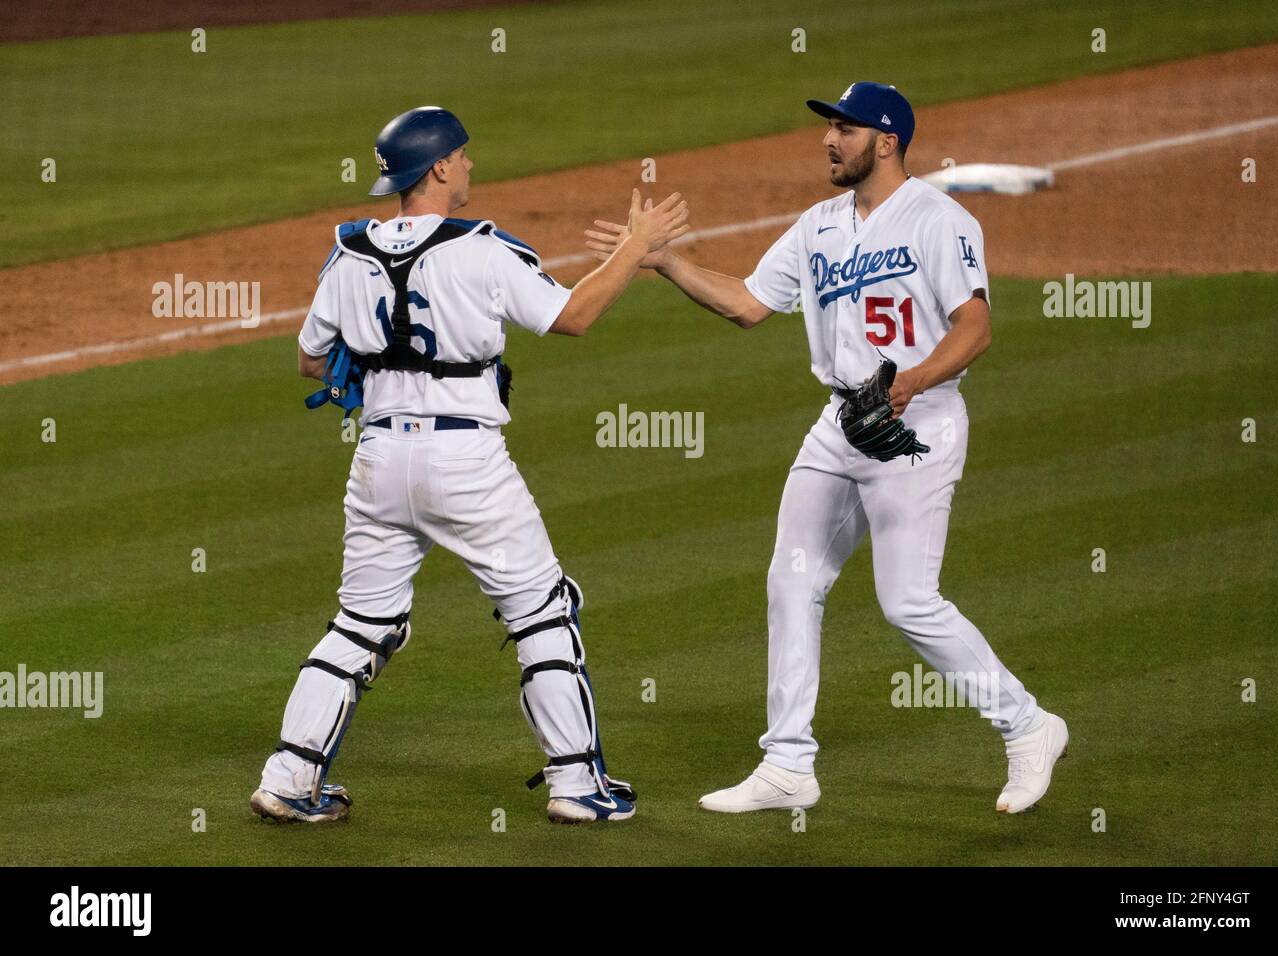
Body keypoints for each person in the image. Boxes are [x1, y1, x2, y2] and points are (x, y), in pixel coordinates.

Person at [585, 83, 1068, 815]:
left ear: (886, 141)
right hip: (840, 423)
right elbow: (748, 303)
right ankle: (787, 763)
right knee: (791, 579)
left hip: (917, 424)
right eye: (828, 128)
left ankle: (1029, 726)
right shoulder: (818, 226)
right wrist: (664, 262)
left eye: (844, 128)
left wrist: (913, 381)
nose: (828, 140)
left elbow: (975, 328)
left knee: (906, 601)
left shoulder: (940, 220)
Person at [250, 106, 688, 825]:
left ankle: (289, 778)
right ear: (440, 167)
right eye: (464, 156)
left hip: (379, 456)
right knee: (543, 611)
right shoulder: (483, 249)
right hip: (467, 461)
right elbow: (572, 316)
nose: (472, 166)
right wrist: (635, 248)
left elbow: (309, 360)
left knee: (362, 623)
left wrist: (384, 363)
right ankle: (577, 786)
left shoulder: (348, 253)